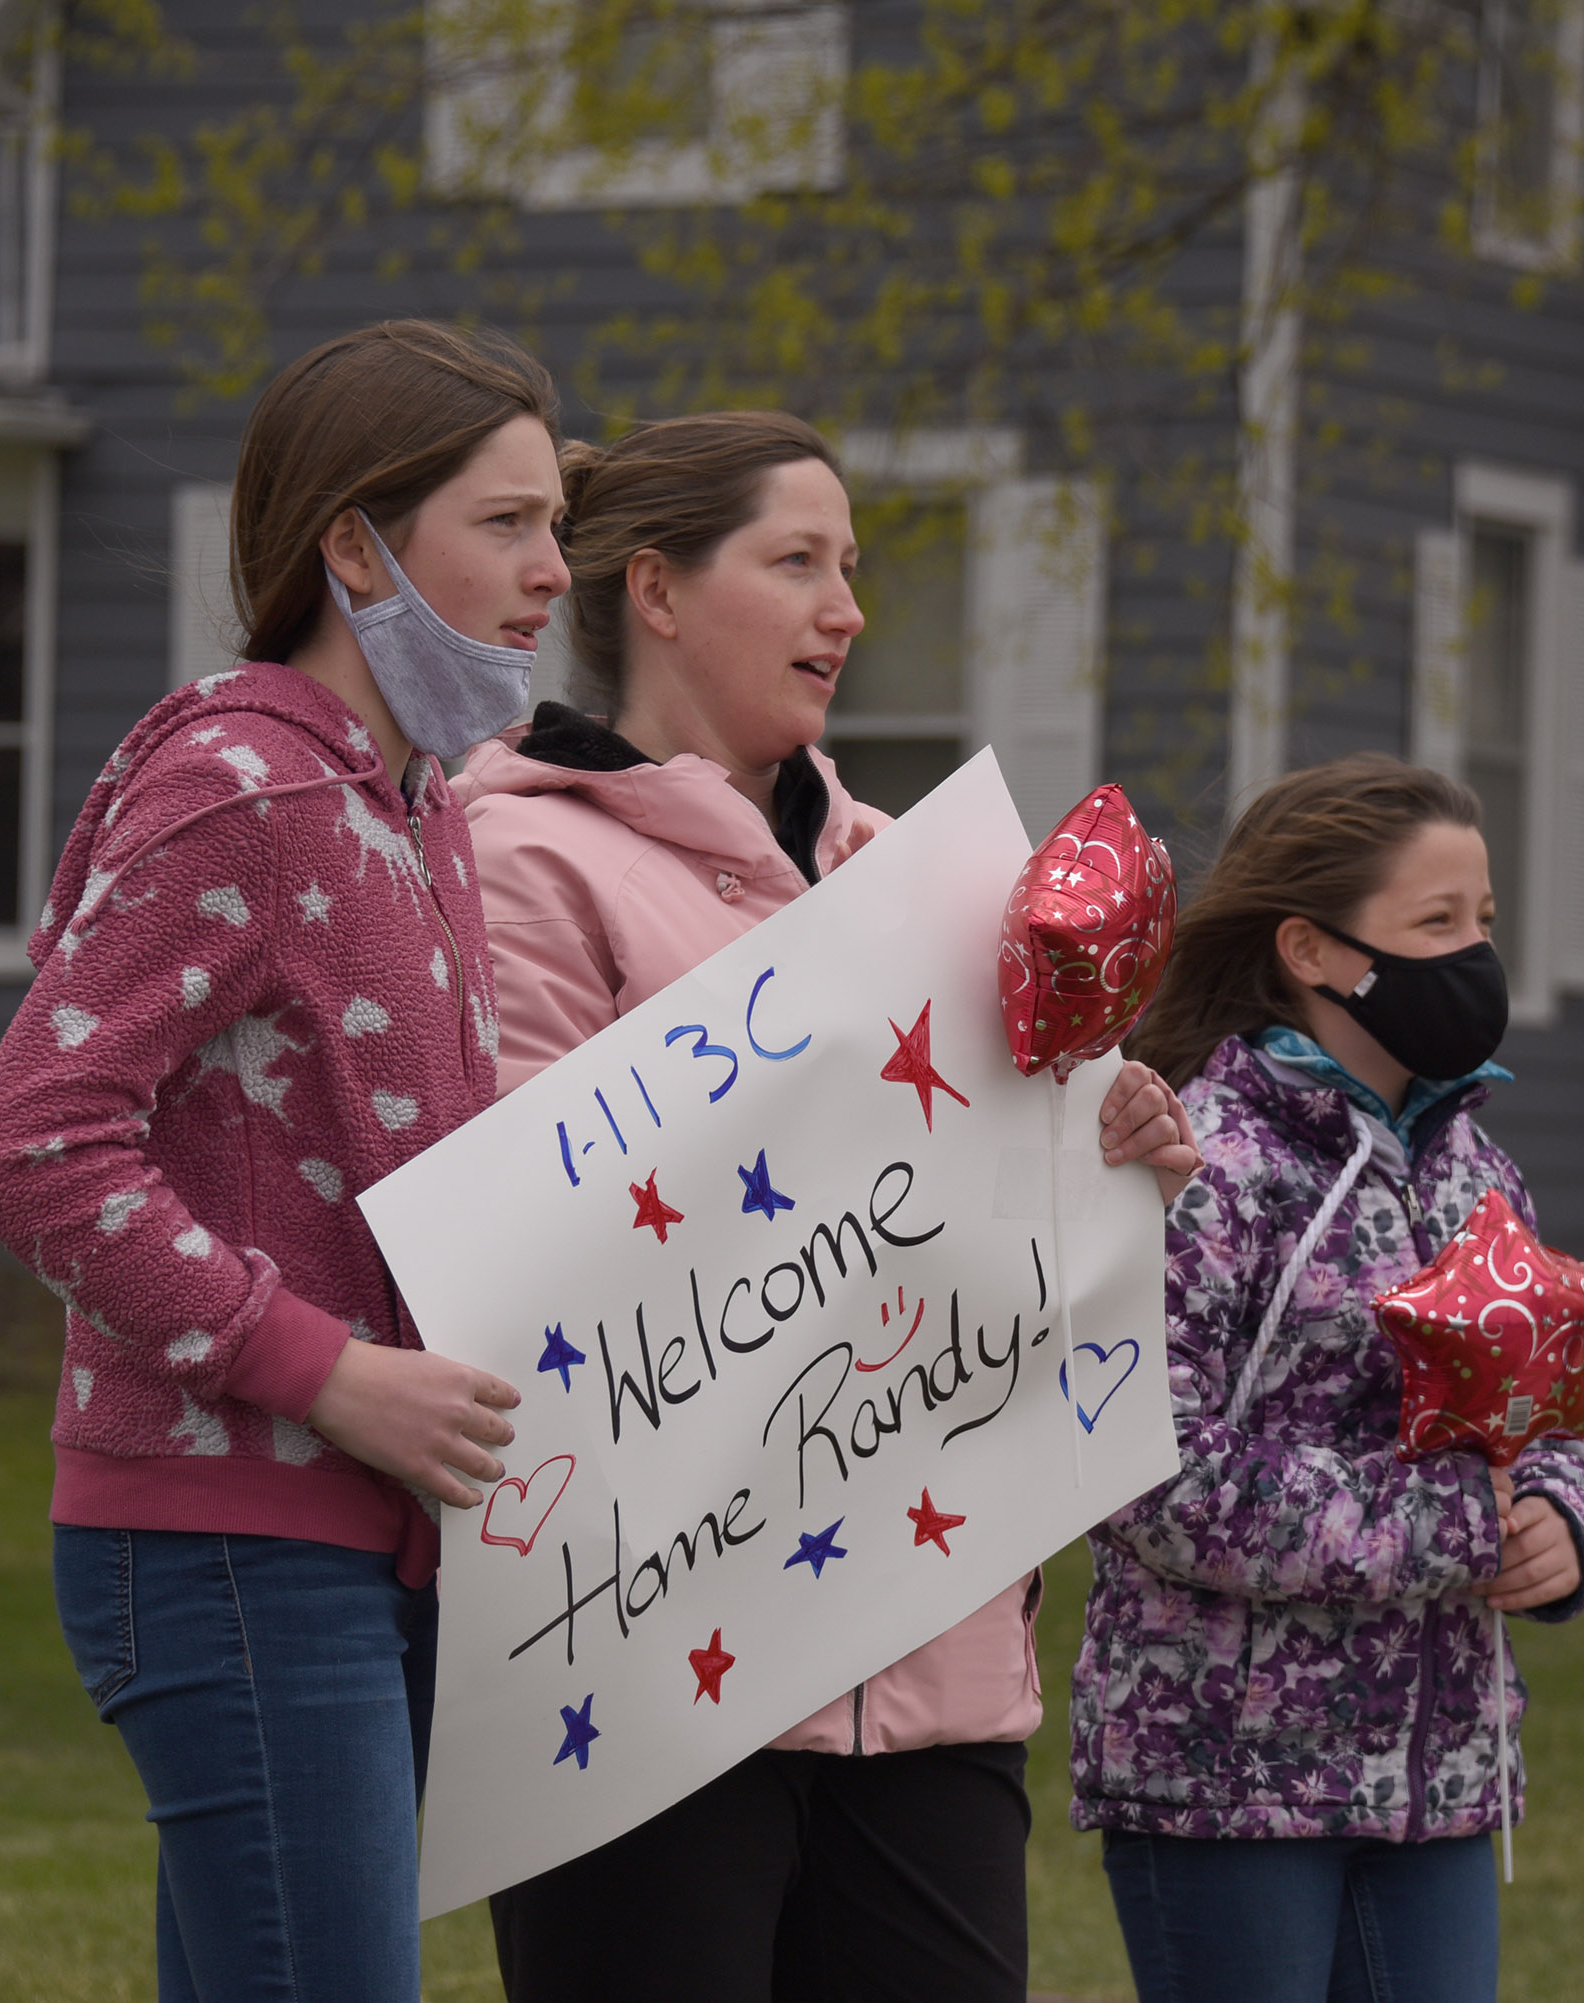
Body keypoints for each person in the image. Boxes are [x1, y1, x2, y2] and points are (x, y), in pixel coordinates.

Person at [458, 409, 1198, 2003]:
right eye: (796, 561)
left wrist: (1106, 1141)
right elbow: (538, 1256)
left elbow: (989, 1223)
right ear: (658, 589)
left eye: (849, 565)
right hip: (652, 1677)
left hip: (932, 1666)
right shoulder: (521, 860)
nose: (848, 608)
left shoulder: (926, 882)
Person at [0, 318, 569, 2002]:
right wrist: (330, 1372)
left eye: (556, 524)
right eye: (506, 522)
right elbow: (31, 1143)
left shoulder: (421, 803)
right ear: (355, 547)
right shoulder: (243, 786)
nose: (553, 569)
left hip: (360, 1536)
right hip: (229, 1539)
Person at [1071, 754, 1584, 2003]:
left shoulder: (1480, 1170)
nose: (1476, 956)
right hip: (1227, 1782)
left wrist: (1561, 1519)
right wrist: (1452, 1523)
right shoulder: (1202, 1163)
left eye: (1484, 920)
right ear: (1312, 949)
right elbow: (1149, 1468)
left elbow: (1545, 1409)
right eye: (1437, 923)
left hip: (1440, 1781)